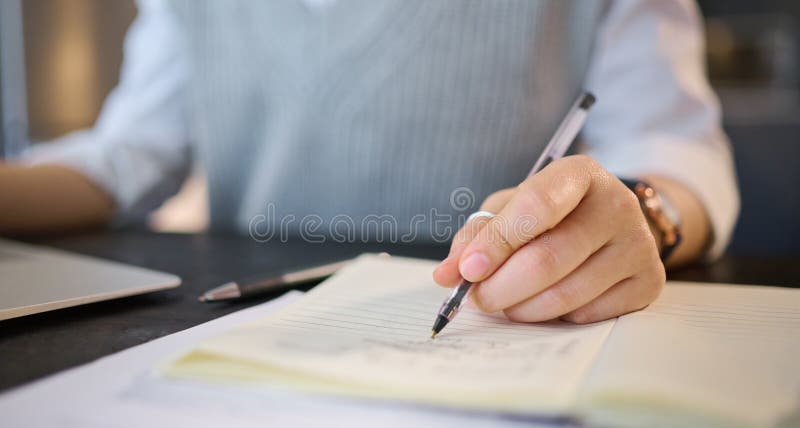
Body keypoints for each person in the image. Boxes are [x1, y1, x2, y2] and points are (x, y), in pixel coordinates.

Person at [0, 0, 738, 324]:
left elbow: (674, 148)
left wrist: (643, 213)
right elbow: (130, 154)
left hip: (507, 317)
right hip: (249, 321)